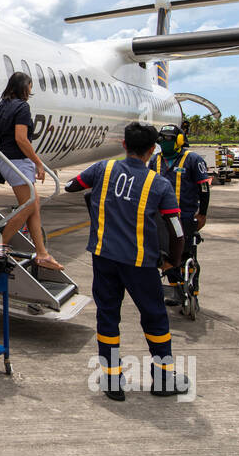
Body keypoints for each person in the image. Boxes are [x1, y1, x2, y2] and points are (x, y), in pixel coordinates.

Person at [65, 122, 191, 401]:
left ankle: (111, 380)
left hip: (104, 257)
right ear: (151, 150)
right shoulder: (159, 183)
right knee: (155, 318)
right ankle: (163, 378)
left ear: (124, 145)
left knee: (108, 317)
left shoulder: (103, 169)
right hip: (140, 262)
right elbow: (177, 229)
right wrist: (175, 261)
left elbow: (71, 185)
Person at [0, 71, 65, 271]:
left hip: (6, 161)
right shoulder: (22, 107)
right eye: (29, 86)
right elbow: (21, 139)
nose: (30, 90)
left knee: (33, 207)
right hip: (18, 161)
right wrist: (38, 163)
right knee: (29, 205)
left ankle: (42, 254)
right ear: (24, 87)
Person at [155, 124, 211, 310]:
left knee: (186, 254)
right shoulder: (156, 160)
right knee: (166, 257)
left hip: (184, 217)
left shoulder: (192, 159)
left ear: (179, 140)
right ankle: (176, 292)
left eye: (168, 138)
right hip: (161, 218)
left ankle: (193, 292)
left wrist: (202, 213)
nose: (164, 142)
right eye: (161, 138)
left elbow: (204, 188)